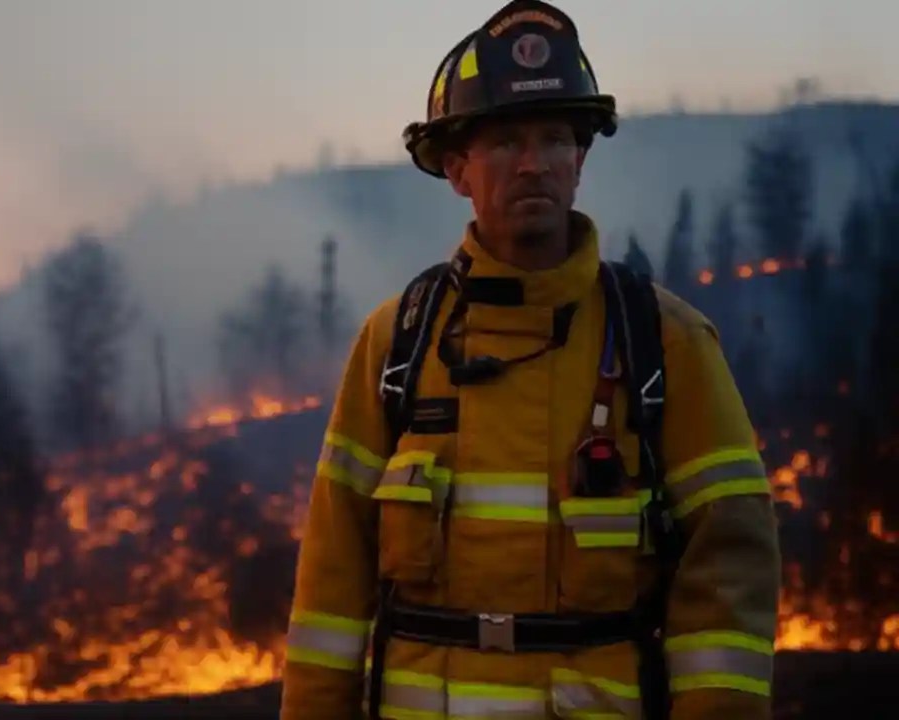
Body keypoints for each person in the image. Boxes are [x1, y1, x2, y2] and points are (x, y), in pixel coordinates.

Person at [279, 1, 781, 718]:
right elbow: (332, 579)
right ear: (457, 169)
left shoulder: (666, 342)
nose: (534, 163)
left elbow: (730, 564)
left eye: (555, 139)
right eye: (506, 141)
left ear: (580, 162)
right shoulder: (395, 345)